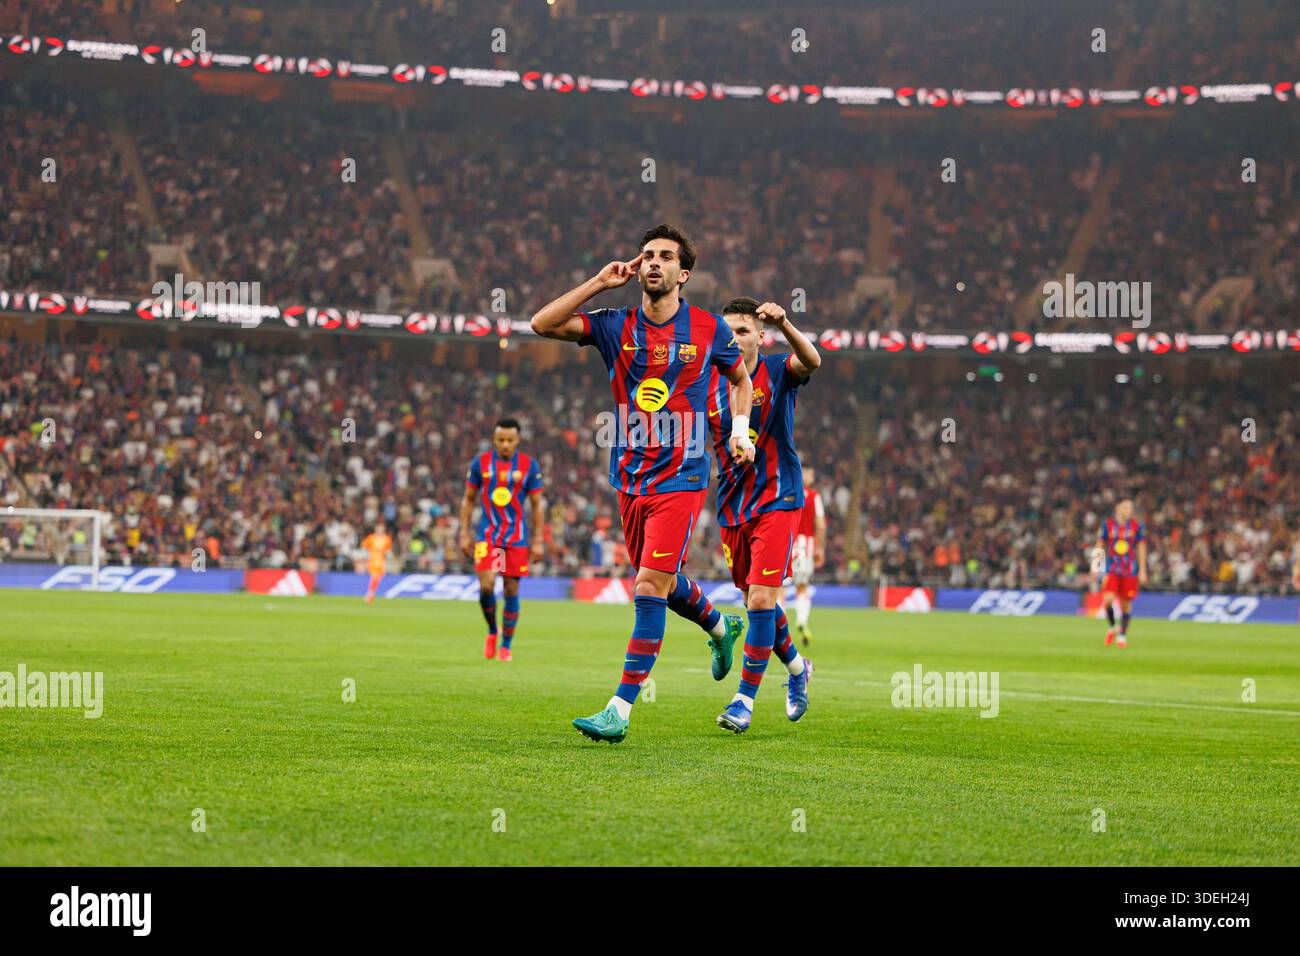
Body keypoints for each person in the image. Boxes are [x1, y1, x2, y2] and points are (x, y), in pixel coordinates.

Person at [530, 223, 755, 743]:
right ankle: (723, 628)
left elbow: (741, 376)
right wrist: (598, 282)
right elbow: (542, 324)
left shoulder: (708, 329)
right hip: (630, 478)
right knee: (666, 584)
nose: (652, 262)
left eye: (664, 257)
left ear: (683, 273)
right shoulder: (615, 324)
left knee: (649, 587)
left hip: (681, 477)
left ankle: (620, 710)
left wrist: (740, 432)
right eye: (646, 255)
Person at [706, 297, 820, 732]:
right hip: (734, 506)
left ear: (760, 336)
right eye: (728, 331)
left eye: (743, 331)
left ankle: (743, 702)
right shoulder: (709, 381)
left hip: (779, 498)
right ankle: (797, 670)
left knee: (759, 599)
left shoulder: (776, 372)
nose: (735, 339)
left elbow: (812, 360)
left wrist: (787, 322)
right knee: (761, 604)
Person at [459, 418, 545, 661]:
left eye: (510, 440)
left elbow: (537, 505)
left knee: (511, 589)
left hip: (516, 537)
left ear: (518, 440)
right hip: (487, 535)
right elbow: (468, 499)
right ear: (494, 440)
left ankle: (506, 645)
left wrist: (538, 539)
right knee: (486, 585)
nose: (505, 445)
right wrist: (463, 533)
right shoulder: (481, 463)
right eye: (500, 440)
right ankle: (492, 630)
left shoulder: (529, 465)